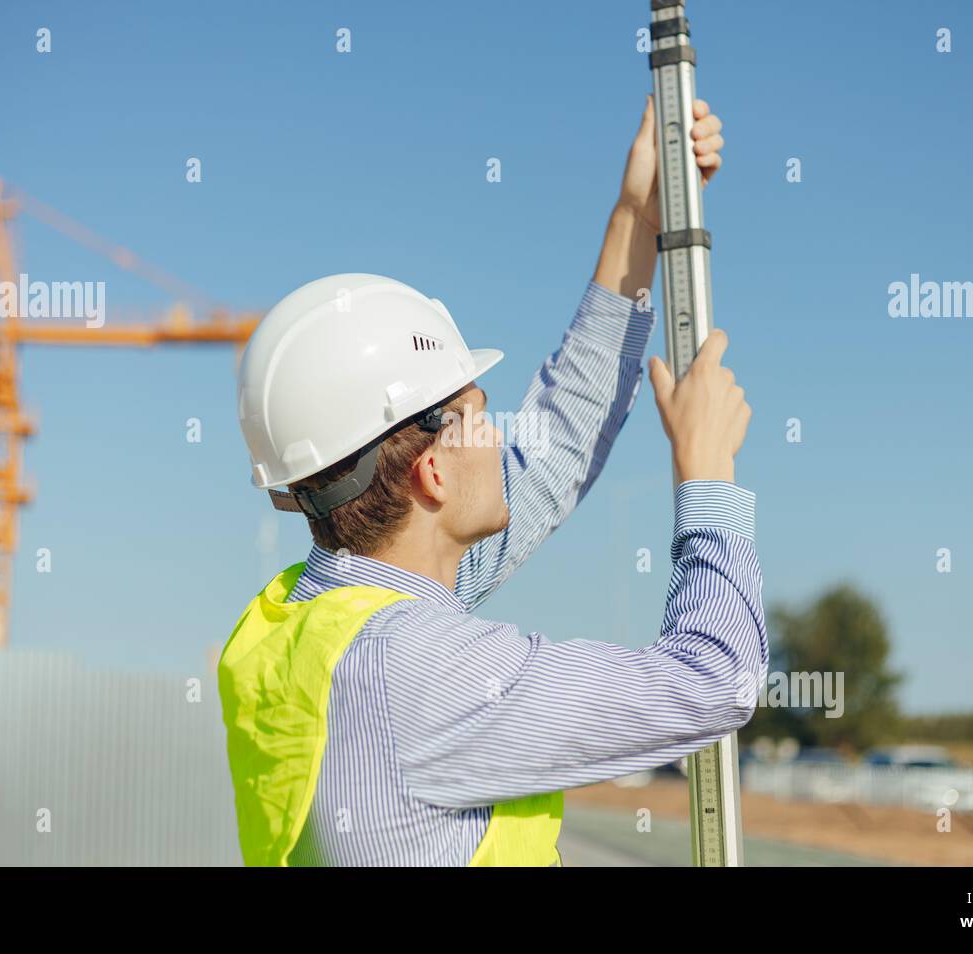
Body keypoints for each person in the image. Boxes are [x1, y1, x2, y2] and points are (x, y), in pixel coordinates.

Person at [218, 95, 766, 866]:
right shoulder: (415, 672)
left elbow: (555, 448)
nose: (504, 432)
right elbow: (715, 681)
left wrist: (634, 221)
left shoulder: (306, 631)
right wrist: (706, 480)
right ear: (433, 472)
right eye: (479, 413)